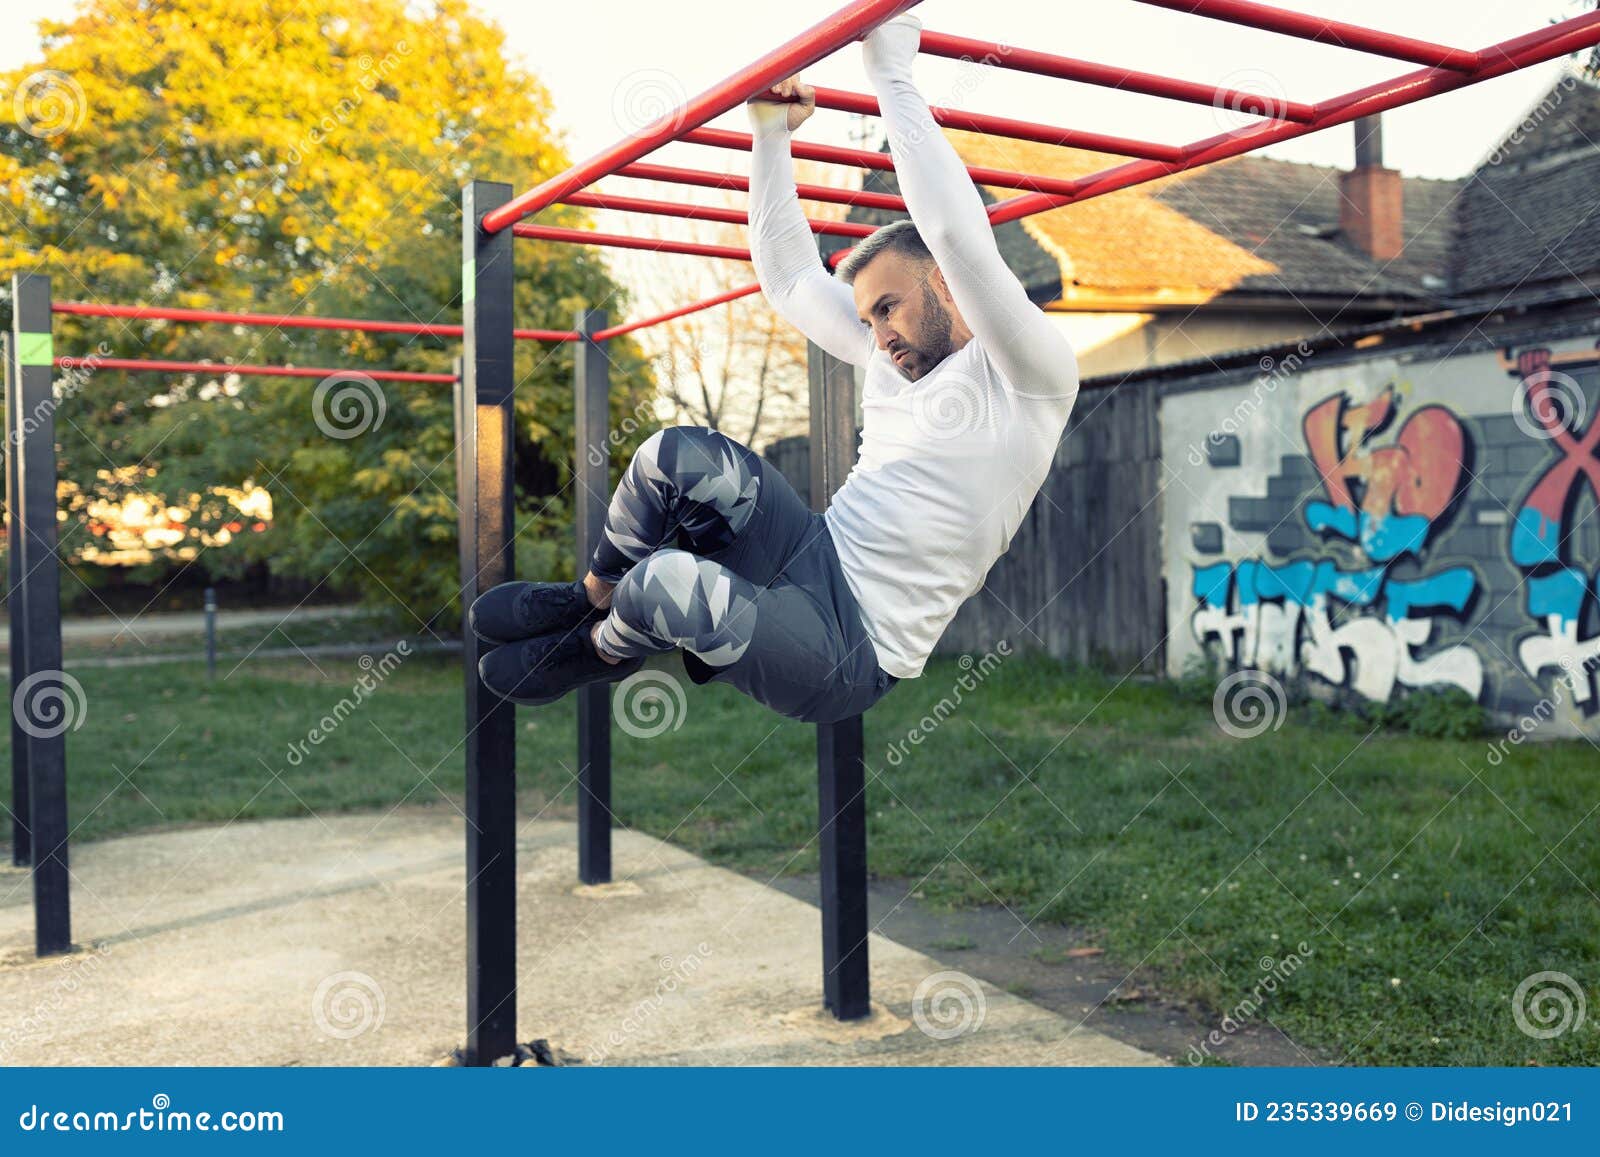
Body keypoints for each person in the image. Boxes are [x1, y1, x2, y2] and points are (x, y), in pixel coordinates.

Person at [469, 13, 1079, 723]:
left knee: (669, 583)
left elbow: (950, 228)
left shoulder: (1031, 375)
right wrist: (769, 134)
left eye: (889, 307)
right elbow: (789, 279)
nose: (878, 336)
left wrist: (891, 77)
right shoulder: (891, 361)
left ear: (947, 283)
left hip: (851, 646)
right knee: (672, 456)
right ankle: (591, 596)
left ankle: (601, 650)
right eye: (868, 318)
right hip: (809, 545)